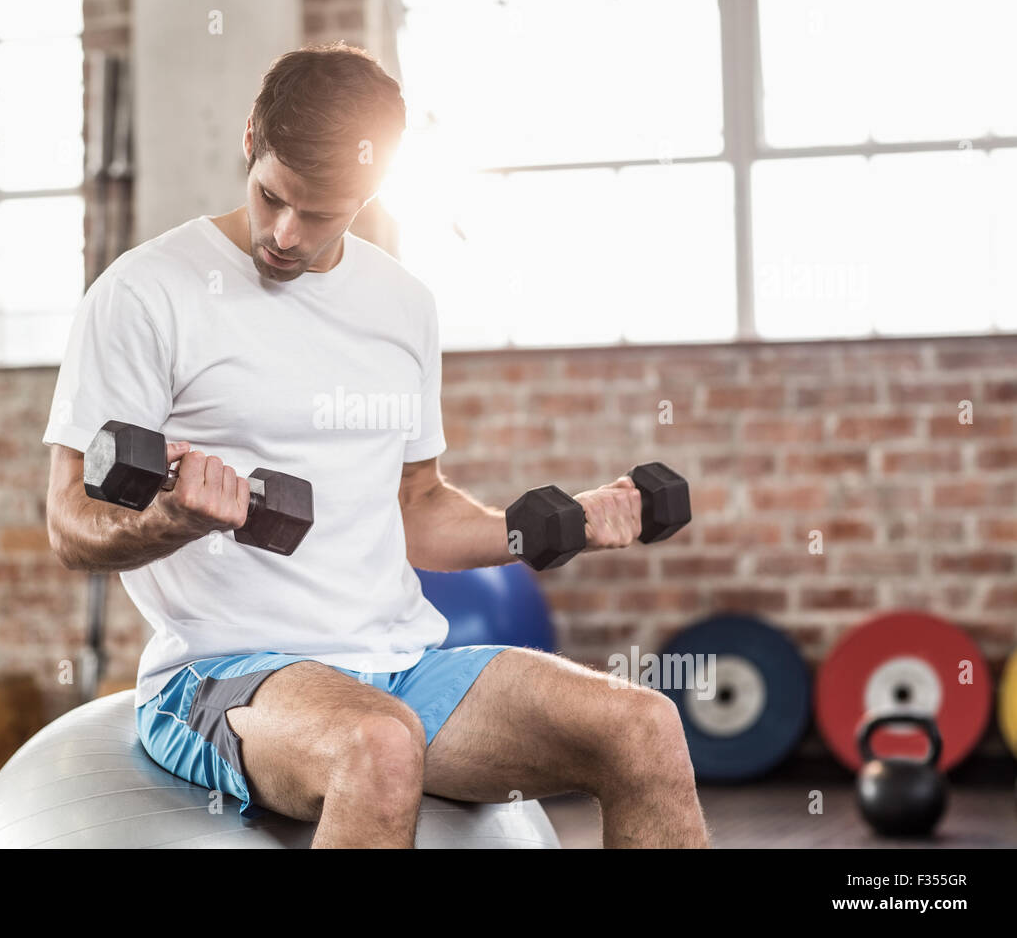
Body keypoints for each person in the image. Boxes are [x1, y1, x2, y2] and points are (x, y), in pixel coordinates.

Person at [42, 43, 708, 848]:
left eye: (321, 214)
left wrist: (567, 521)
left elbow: (417, 511)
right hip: (221, 672)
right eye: (272, 198)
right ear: (252, 136)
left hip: (400, 663)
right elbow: (69, 524)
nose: (285, 234)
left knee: (645, 725)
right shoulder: (145, 293)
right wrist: (176, 522)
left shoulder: (402, 304)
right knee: (379, 745)